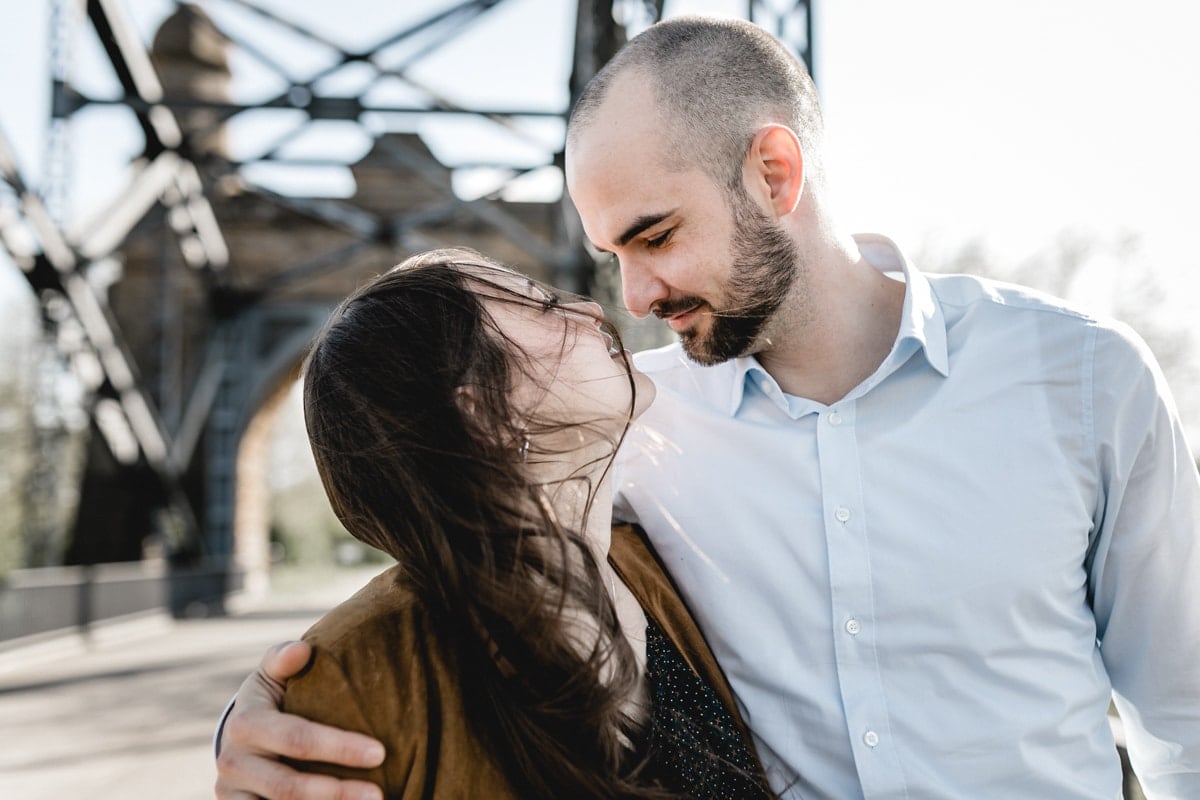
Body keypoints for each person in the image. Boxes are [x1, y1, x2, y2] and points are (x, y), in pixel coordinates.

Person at [215, 16, 1200, 800]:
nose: (631, 298)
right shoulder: (625, 427)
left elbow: (1186, 718)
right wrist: (262, 718)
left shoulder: (1081, 378)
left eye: (656, 235)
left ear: (775, 173)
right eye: (609, 258)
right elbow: (455, 536)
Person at [219, 247, 774, 800]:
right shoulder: (359, 680)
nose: (592, 309)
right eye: (546, 308)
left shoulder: (652, 563)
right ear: (483, 413)